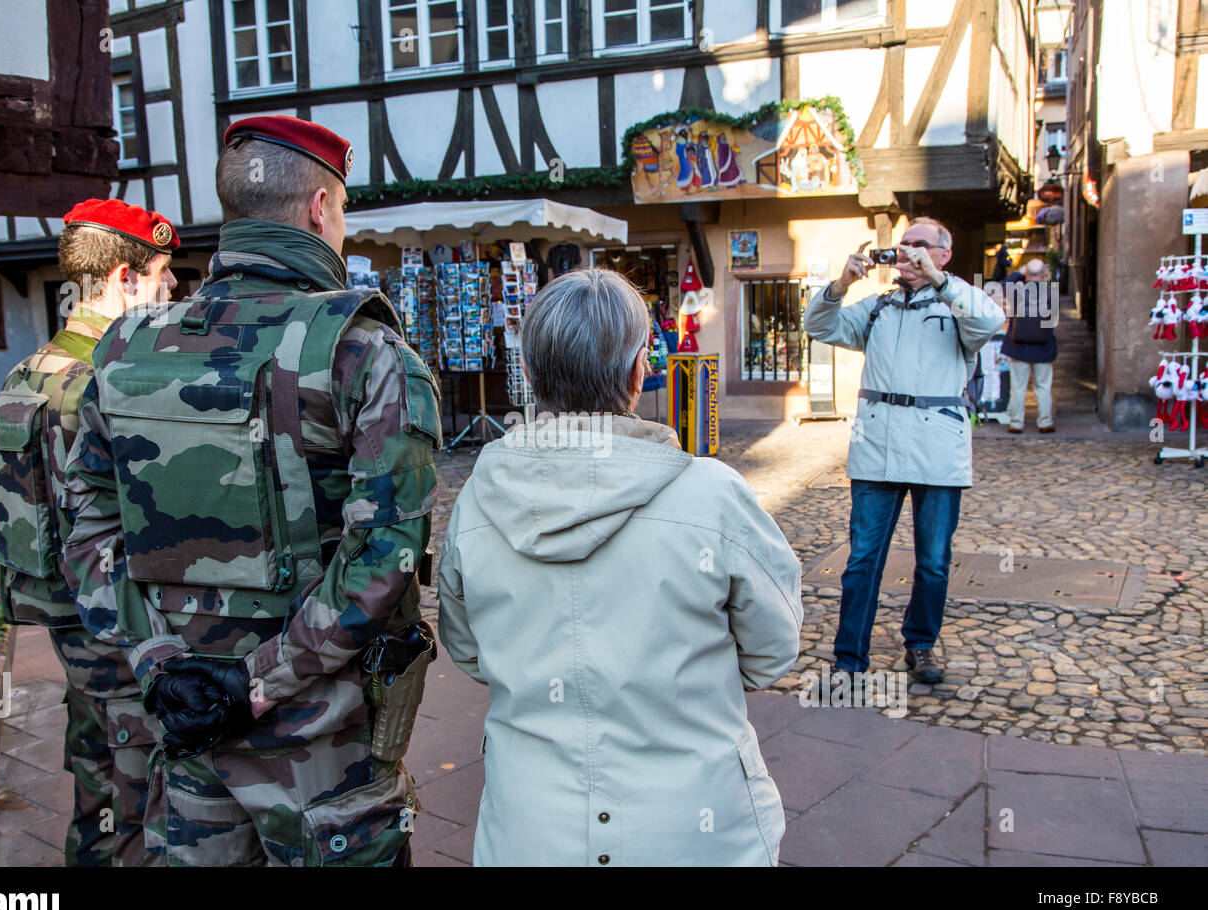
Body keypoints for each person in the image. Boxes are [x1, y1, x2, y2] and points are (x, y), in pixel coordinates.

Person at [62, 115, 441, 867]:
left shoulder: (129, 346)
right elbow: (383, 559)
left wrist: (159, 664)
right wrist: (256, 685)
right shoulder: (365, 353)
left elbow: (85, 529)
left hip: (185, 728)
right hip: (321, 760)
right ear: (319, 210)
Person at [437, 269, 803, 866]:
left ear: (528, 373)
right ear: (640, 370)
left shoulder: (476, 501)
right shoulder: (712, 496)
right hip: (695, 830)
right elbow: (772, 647)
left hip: (531, 831)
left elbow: (470, 649)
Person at [0, 198, 177, 866]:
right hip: (111, 624)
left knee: (93, 772)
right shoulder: (104, 387)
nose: (172, 288)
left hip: (60, 619)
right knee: (142, 793)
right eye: (162, 274)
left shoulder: (26, 373)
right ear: (125, 278)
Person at [802, 217, 1005, 685]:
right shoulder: (876, 309)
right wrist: (841, 283)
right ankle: (849, 659)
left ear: (943, 255)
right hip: (877, 449)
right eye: (904, 244)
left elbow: (991, 320)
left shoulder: (957, 308)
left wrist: (938, 281)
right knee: (862, 560)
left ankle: (921, 645)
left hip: (937, 450)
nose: (909, 252)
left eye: (921, 245)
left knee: (933, 561)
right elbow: (818, 325)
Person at [1001, 258, 1057, 434]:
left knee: (1018, 387)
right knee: (1043, 386)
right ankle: (1045, 422)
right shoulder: (1051, 295)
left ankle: (1016, 423)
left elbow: (1004, 284)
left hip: (1018, 347)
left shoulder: (1017, 292)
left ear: (1026, 274)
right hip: (1043, 347)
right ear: (1043, 275)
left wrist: (1020, 272)